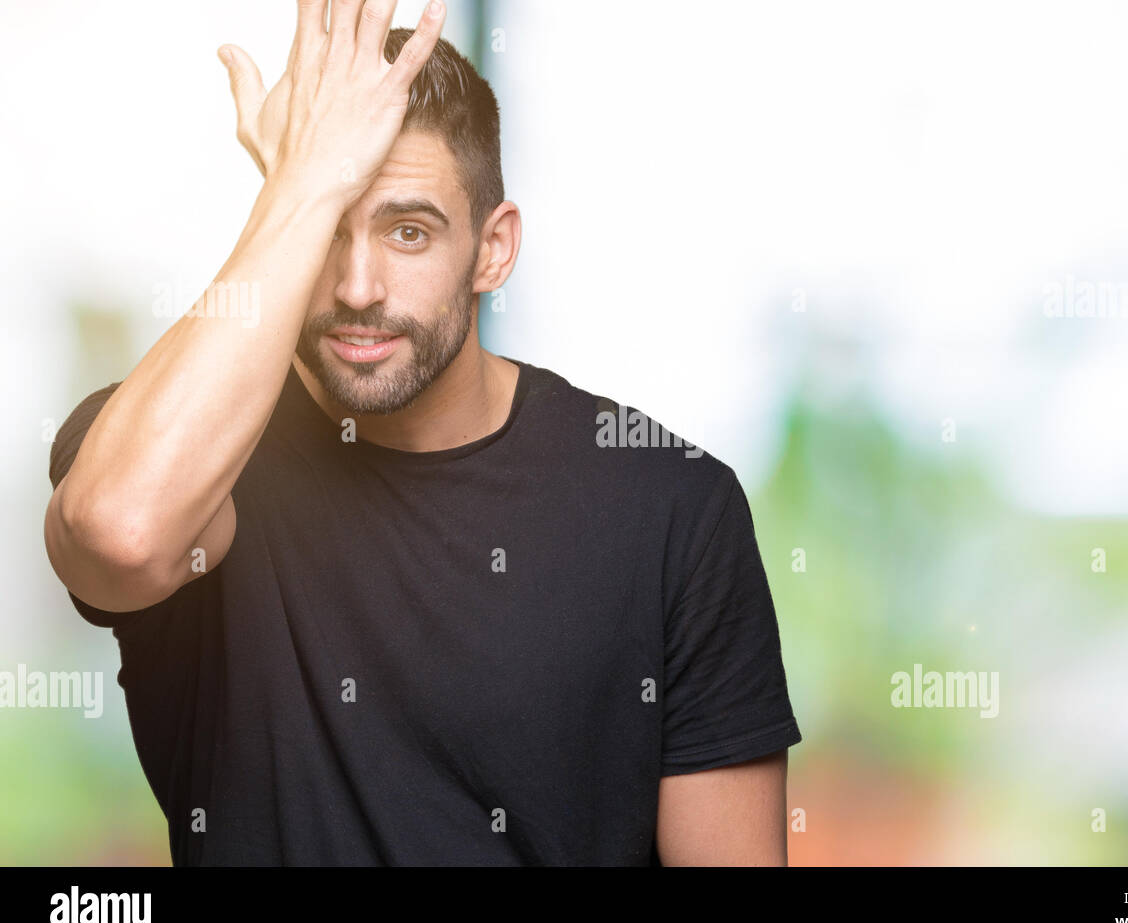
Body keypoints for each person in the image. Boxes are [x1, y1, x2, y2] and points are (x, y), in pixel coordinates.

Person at [43, 0, 801, 866]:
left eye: (409, 231)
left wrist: (316, 184)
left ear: (493, 248)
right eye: (328, 228)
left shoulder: (672, 508)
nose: (359, 284)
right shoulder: (178, 460)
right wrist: (302, 178)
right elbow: (124, 533)